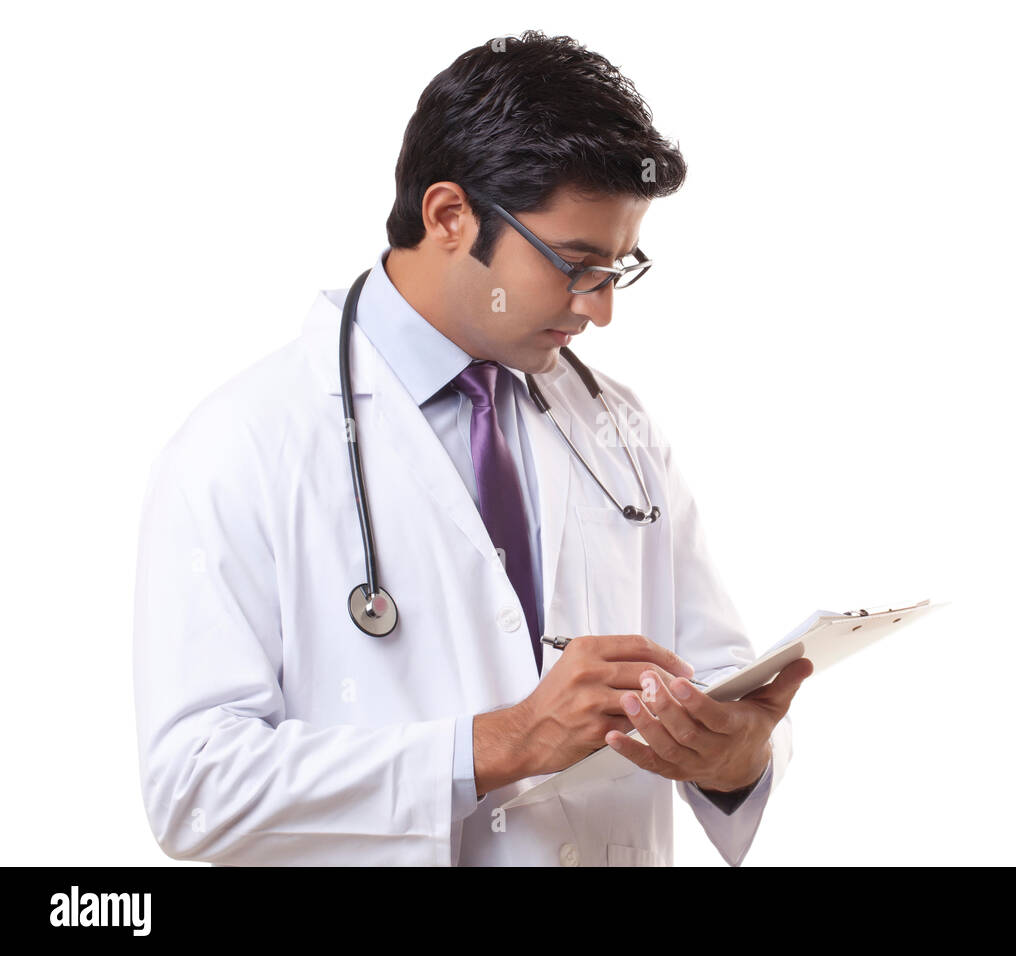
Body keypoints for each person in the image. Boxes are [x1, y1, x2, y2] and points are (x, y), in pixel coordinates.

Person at [132, 29, 811, 867]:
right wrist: (497, 745)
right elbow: (194, 787)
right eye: (574, 264)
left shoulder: (619, 430)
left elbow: (717, 673)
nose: (600, 310)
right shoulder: (240, 445)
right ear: (451, 215)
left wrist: (736, 759)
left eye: (617, 269)